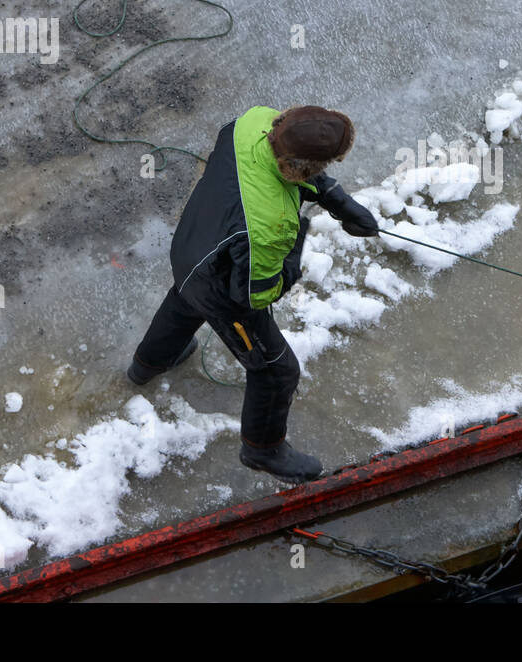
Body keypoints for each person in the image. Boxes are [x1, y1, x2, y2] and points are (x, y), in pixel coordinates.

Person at [127, 105, 379, 482]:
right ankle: (263, 450)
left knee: (184, 300)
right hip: (220, 286)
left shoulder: (251, 122)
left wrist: (340, 203)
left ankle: (147, 366)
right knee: (277, 370)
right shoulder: (271, 226)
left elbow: (283, 166)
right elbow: (257, 295)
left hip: (192, 245)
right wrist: (295, 245)